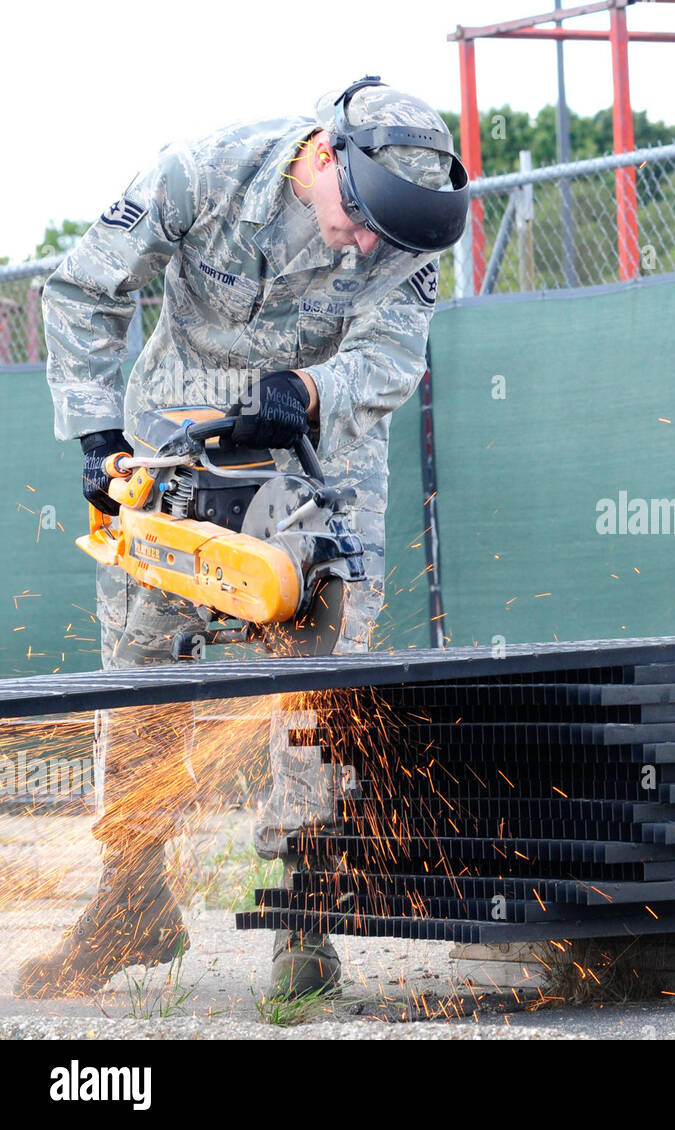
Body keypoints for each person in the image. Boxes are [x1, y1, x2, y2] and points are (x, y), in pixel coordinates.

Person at [15, 76, 468, 1000]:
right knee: (138, 674)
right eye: (360, 216)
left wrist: (301, 394)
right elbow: (81, 290)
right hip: (171, 440)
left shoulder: (403, 225)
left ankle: (302, 918)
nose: (369, 240)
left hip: (319, 456)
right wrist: (100, 436)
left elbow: (386, 361)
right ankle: (129, 904)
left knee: (315, 685)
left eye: (390, 229)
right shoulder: (202, 172)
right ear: (321, 154)